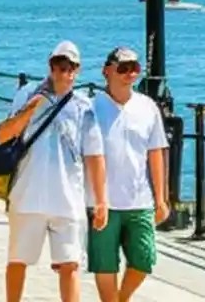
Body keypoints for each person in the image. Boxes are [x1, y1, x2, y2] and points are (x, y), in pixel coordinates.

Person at [0, 40, 108, 302]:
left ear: (77, 70)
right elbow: (2, 135)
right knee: (17, 260)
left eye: (70, 67)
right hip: (27, 195)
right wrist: (32, 106)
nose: (64, 72)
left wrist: (101, 201)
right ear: (51, 66)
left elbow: (94, 155)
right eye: (60, 65)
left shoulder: (83, 107)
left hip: (68, 200)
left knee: (70, 265)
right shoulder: (27, 93)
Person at [87, 47, 169, 302]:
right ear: (107, 71)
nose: (129, 74)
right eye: (123, 68)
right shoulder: (91, 107)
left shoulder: (147, 106)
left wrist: (161, 198)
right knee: (104, 263)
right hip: (101, 202)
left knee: (144, 259)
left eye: (134, 68)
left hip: (139, 200)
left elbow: (156, 152)